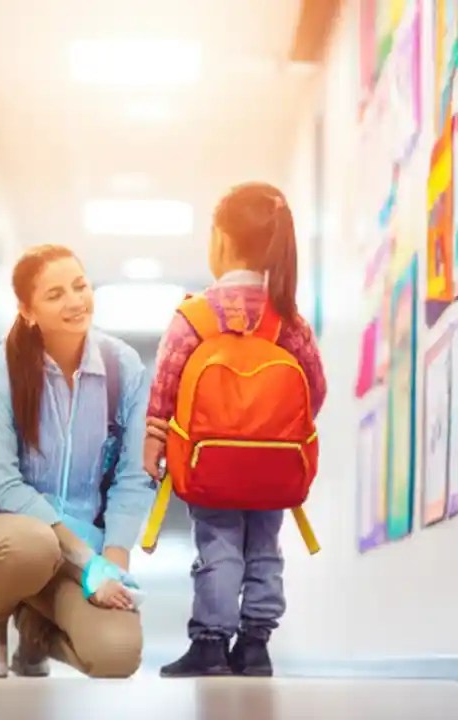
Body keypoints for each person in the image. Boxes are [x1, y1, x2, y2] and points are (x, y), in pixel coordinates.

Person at [143, 182, 327, 678]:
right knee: (264, 546)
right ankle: (255, 645)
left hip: (210, 462)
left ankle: (209, 644)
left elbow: (166, 384)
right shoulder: (287, 319)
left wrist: (155, 443)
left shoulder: (195, 316)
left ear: (221, 241)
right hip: (273, 465)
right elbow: (316, 389)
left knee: (218, 544)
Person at [0, 244, 155, 679]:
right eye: (55, 294)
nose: (75, 301)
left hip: (77, 553)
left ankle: (35, 629)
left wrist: (112, 567)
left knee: (117, 654)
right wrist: (86, 559)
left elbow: (133, 477)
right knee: (33, 545)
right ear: (27, 310)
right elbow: (1, 484)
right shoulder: (1, 370)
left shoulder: (124, 368)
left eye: (80, 286)